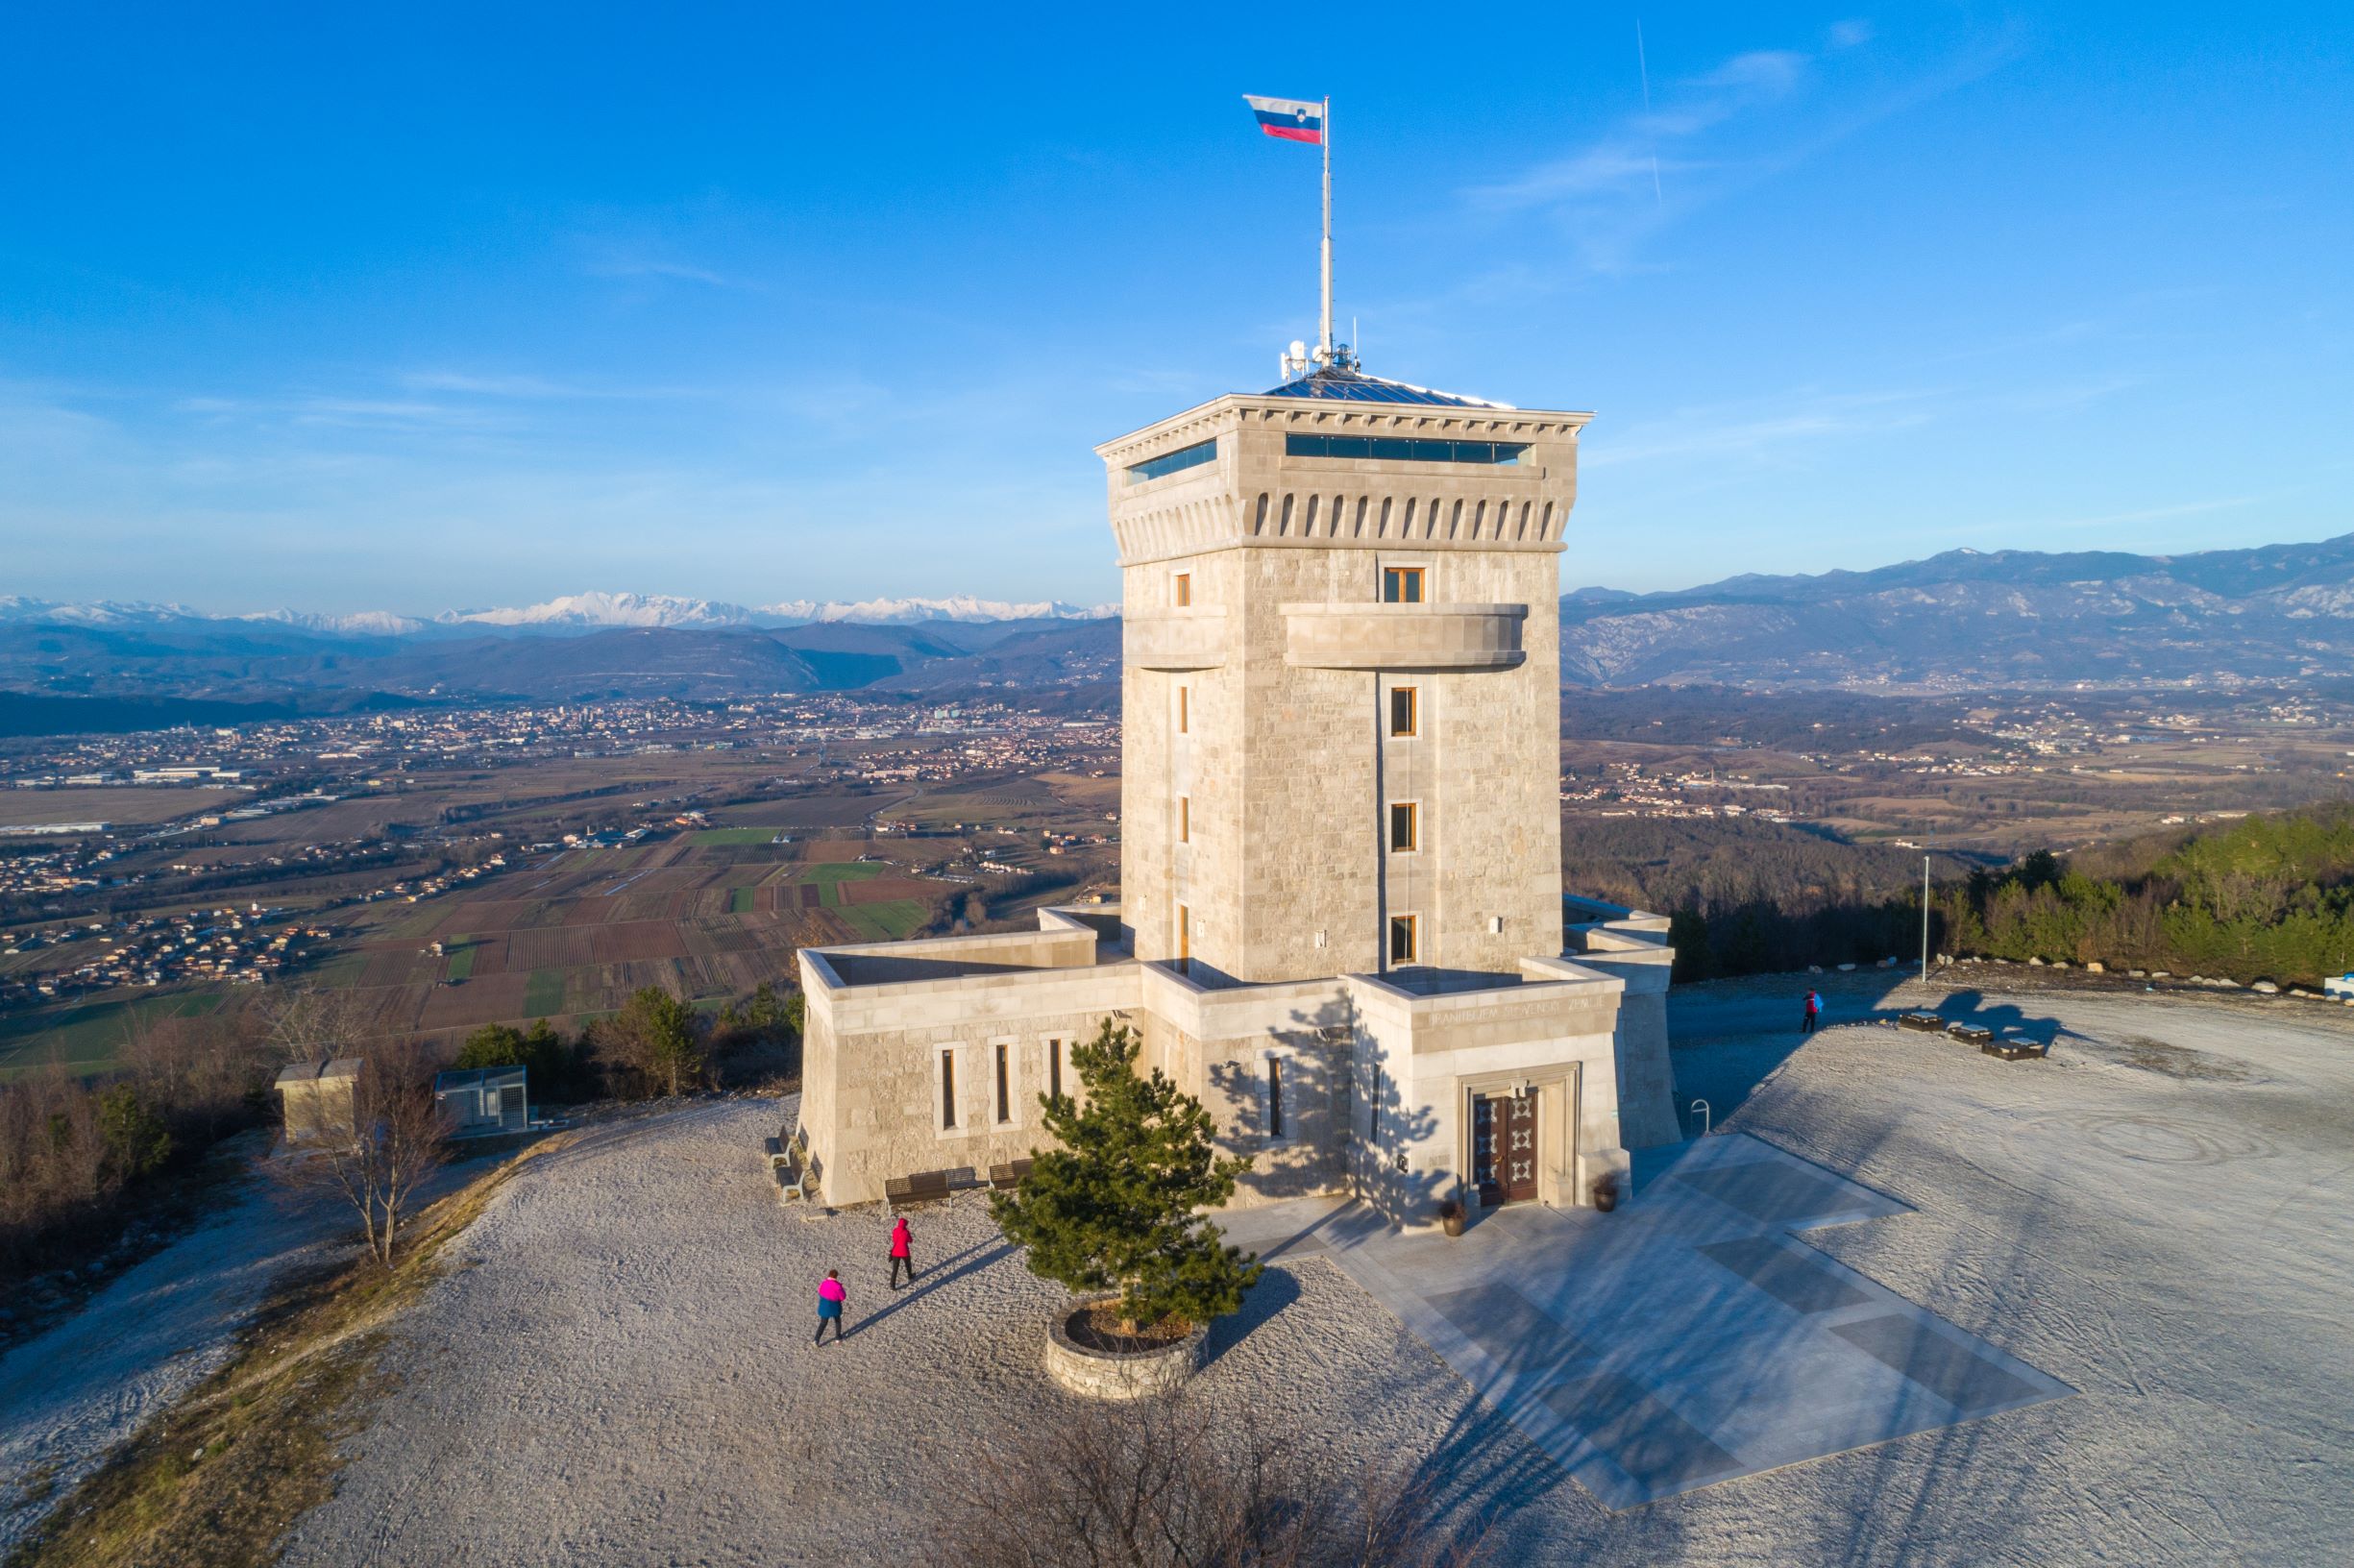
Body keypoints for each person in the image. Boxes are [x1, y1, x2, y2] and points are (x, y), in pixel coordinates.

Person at [814, 1268, 846, 1345]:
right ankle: (838, 1338)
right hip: (835, 1306)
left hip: (824, 1306)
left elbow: (820, 1292)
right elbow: (843, 1297)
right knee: (837, 1321)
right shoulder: (838, 1286)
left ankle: (816, 1340)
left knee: (823, 1323)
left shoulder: (824, 1283)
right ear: (836, 1276)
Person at [888, 1213, 915, 1288]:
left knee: (895, 1269)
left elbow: (894, 1239)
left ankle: (892, 1285)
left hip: (895, 1252)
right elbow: (910, 1240)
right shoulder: (906, 1232)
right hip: (904, 1252)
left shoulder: (895, 1230)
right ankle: (910, 1275)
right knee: (908, 1264)